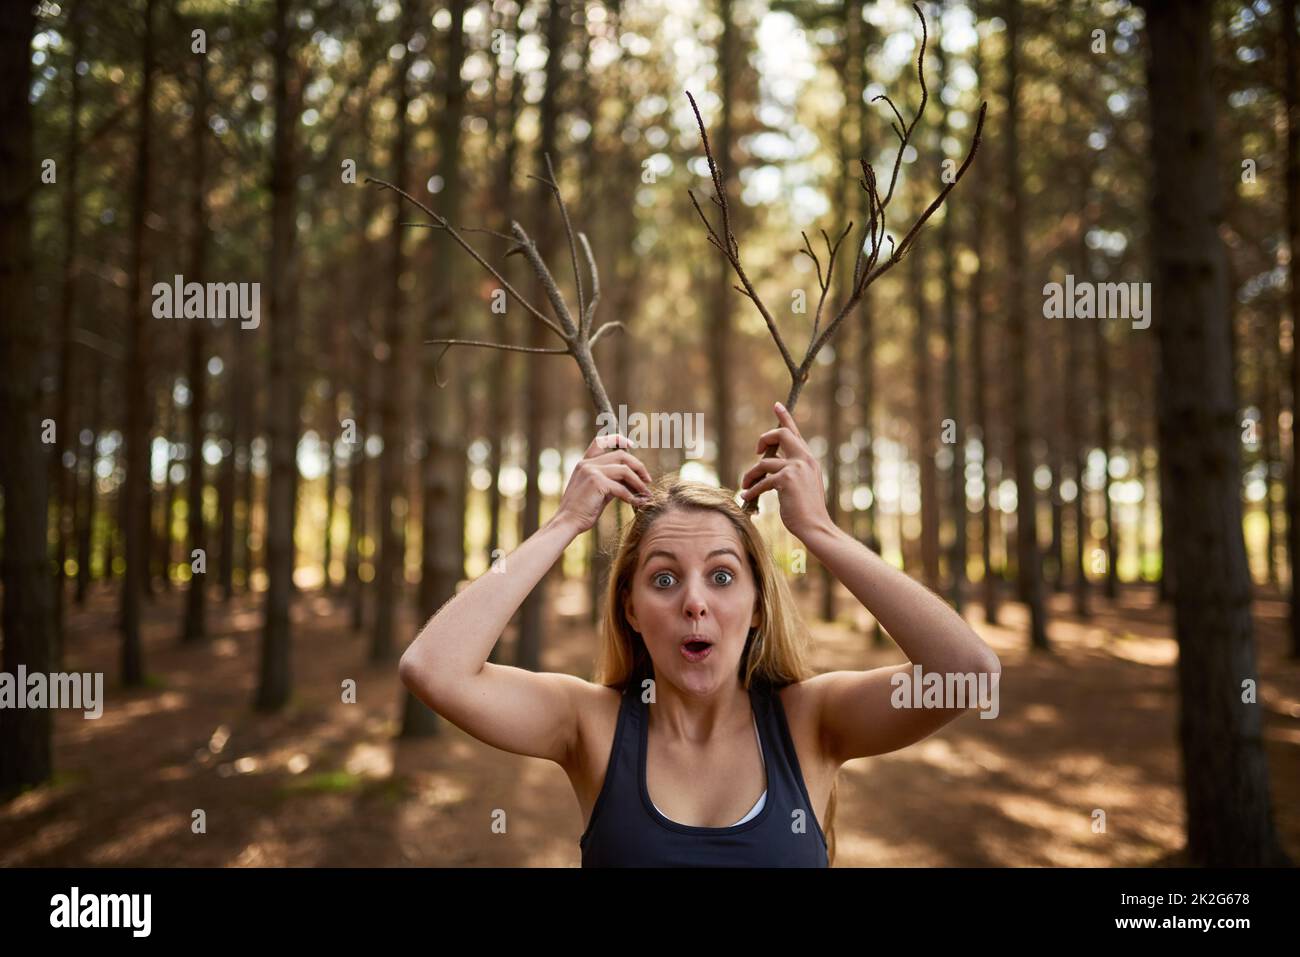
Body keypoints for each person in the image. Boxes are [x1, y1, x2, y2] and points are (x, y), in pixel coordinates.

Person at [399, 401, 1002, 866]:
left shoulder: (811, 721)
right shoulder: (589, 725)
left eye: (721, 575)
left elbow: (969, 675)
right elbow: (434, 669)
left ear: (758, 606)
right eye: (663, 580)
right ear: (630, 609)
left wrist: (820, 531)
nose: (694, 602)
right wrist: (565, 522)